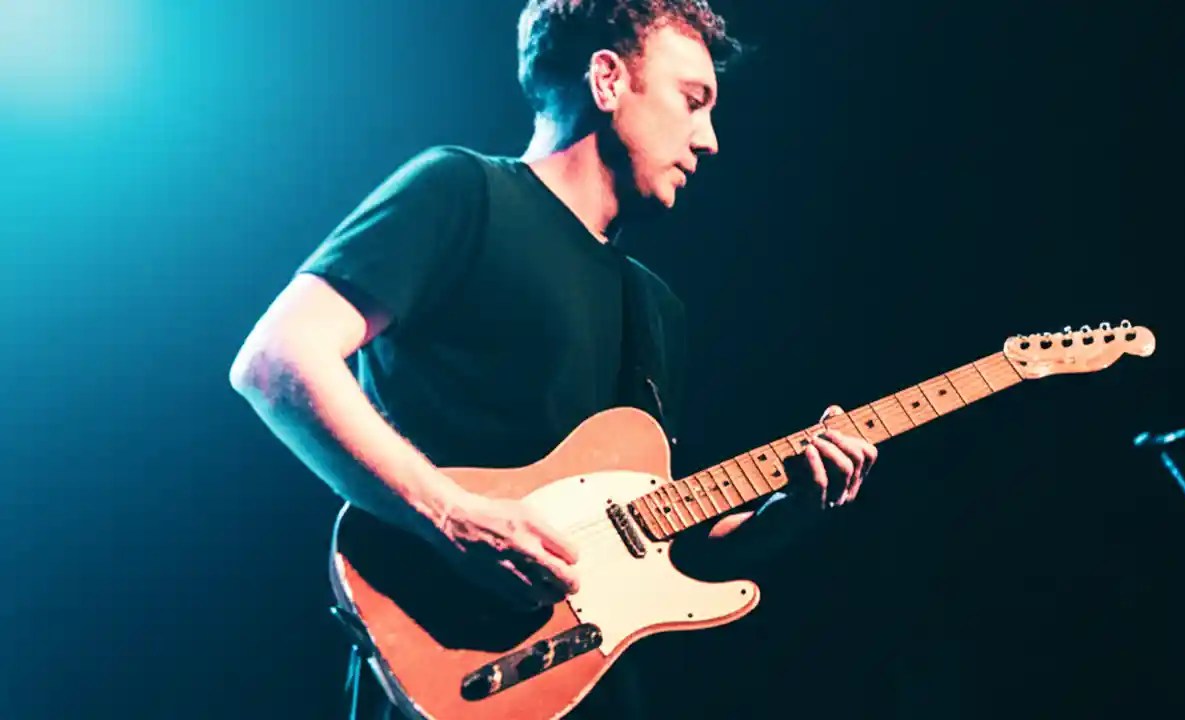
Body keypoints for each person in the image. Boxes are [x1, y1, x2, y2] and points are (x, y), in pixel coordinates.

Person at [228, 1, 879, 717]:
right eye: (692, 101)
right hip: (446, 664)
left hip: (590, 685)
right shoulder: (463, 193)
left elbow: (655, 541)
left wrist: (787, 513)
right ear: (607, 80)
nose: (711, 139)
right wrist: (454, 515)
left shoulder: (656, 308)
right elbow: (276, 360)